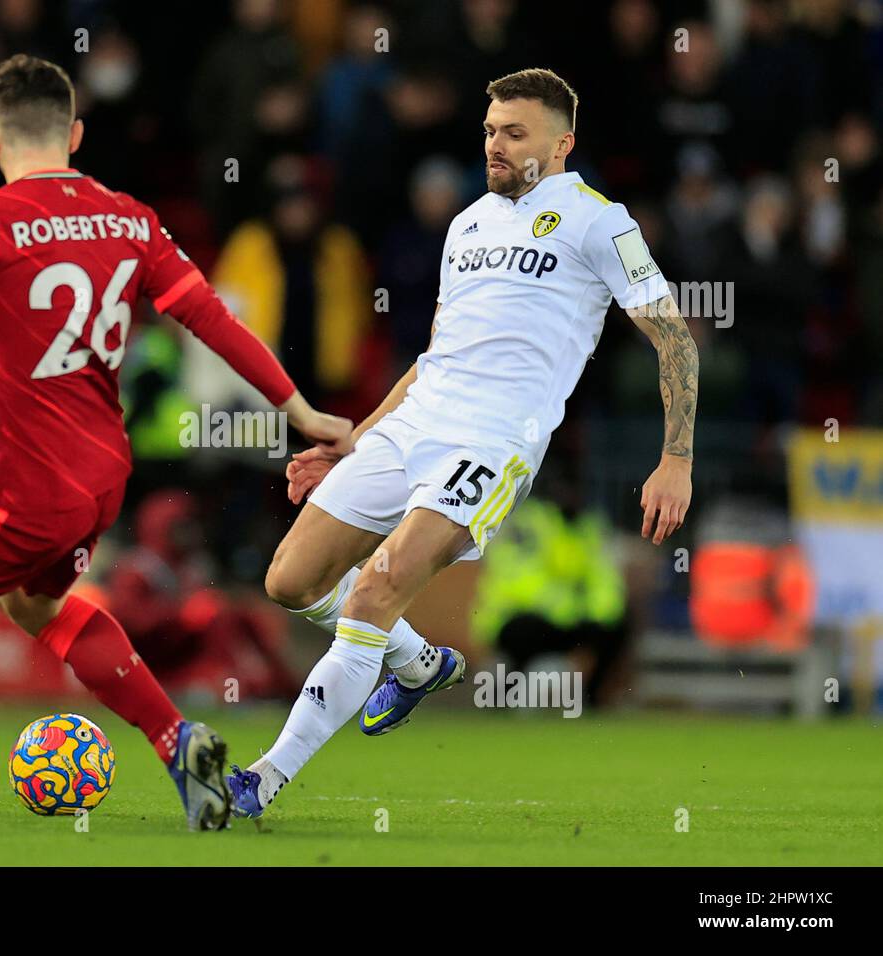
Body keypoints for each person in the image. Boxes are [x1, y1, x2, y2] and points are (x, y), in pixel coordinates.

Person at [0, 55, 351, 830]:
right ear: (76, 133)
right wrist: (303, 410)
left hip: (23, 482)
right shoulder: (130, 217)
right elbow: (213, 321)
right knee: (37, 604)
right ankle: (176, 738)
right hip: (101, 475)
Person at [227, 68, 698, 818]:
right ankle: (415, 663)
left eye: (514, 132)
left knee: (379, 586)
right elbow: (432, 356)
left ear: (562, 142)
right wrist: (354, 443)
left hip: (494, 439)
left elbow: (673, 338)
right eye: (489, 131)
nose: (496, 145)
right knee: (290, 581)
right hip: (417, 423)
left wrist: (676, 458)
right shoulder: (469, 222)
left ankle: (260, 780)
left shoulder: (600, 222)